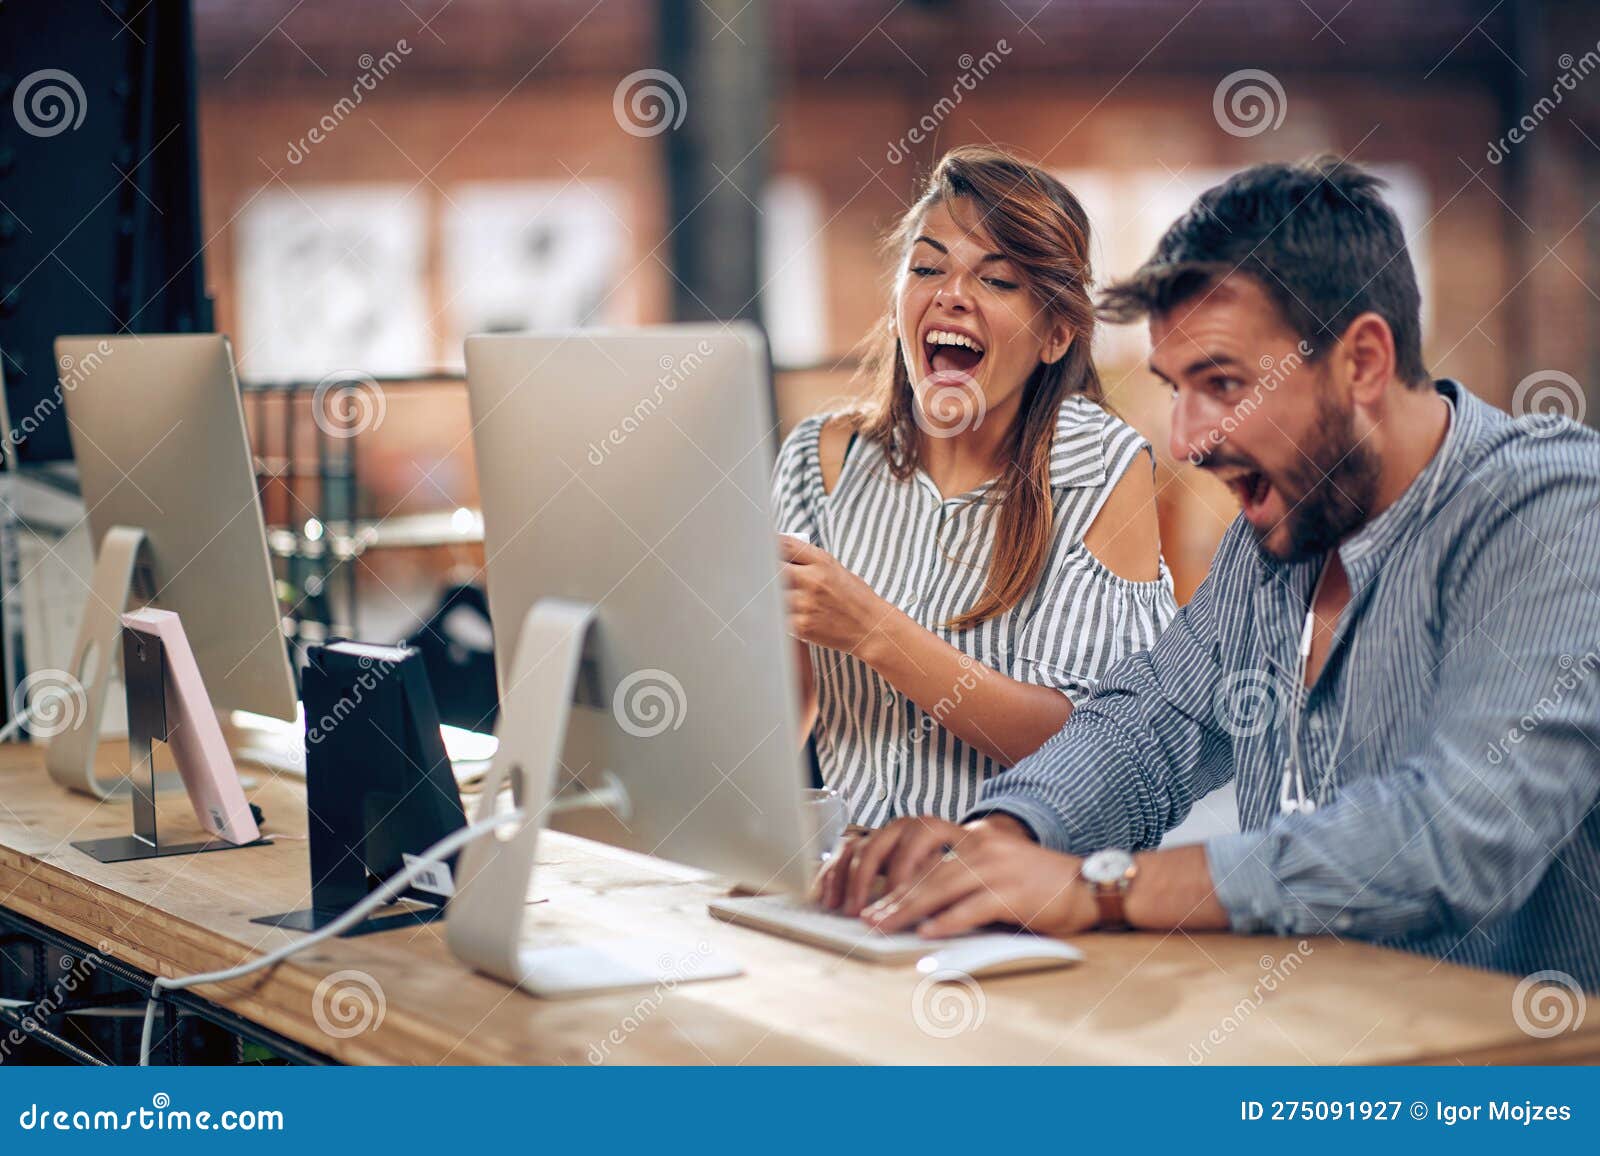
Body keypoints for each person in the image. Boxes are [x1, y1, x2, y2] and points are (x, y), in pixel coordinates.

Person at [816, 156, 1600, 991]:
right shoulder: (1278, 537)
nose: (1187, 439)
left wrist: (1100, 889)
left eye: (1223, 383)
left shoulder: (1553, 509)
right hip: (1309, 1045)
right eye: (1176, 388)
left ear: (1363, 362)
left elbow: (1460, 833)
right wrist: (992, 839)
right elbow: (1146, 726)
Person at [773, 146, 1176, 827]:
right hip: (851, 876)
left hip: (1014, 894)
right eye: (927, 268)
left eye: (997, 281)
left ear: (1054, 335)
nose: (950, 294)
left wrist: (875, 632)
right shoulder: (822, 458)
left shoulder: (1102, 465)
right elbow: (787, 710)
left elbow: (1095, 744)